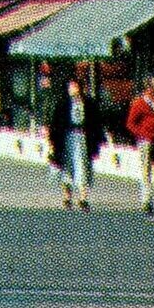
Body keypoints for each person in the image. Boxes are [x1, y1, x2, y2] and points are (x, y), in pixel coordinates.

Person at [48, 71, 104, 210]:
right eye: (70, 87)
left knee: (83, 168)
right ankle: (67, 197)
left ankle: (83, 198)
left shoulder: (89, 103)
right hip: (67, 138)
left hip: (83, 138)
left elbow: (96, 123)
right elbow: (55, 125)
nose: (72, 89)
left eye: (74, 86)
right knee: (67, 168)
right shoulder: (63, 104)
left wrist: (98, 141)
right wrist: (52, 142)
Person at [125, 76, 154, 215]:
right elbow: (130, 123)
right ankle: (147, 200)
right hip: (146, 141)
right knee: (146, 171)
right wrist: (141, 134)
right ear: (148, 87)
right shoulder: (139, 103)